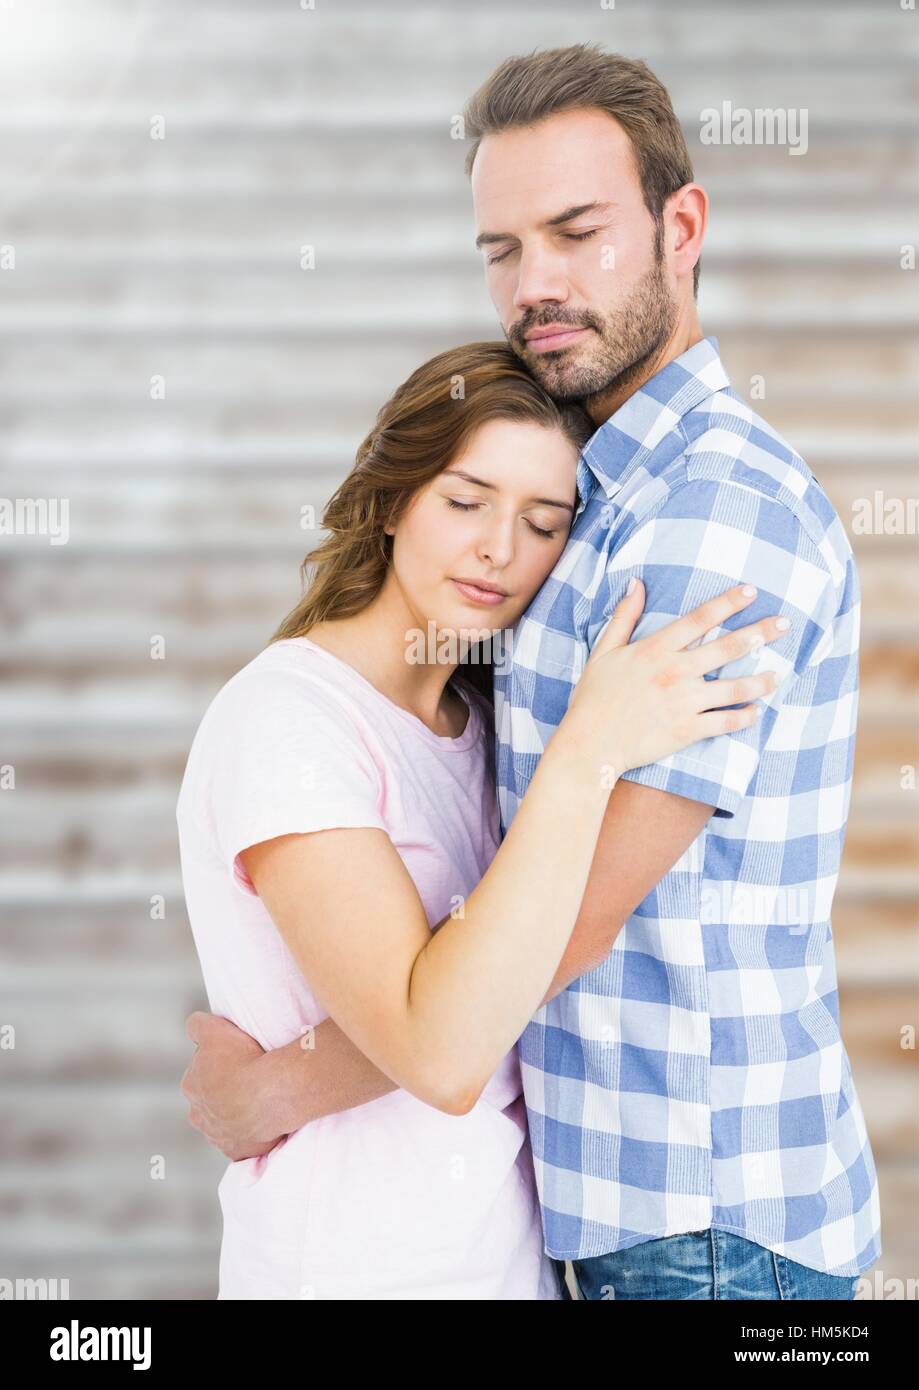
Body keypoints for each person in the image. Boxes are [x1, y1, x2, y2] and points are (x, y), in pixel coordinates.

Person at [184, 44, 882, 1300]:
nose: (535, 284)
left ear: (683, 226)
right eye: (501, 249)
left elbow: (573, 916)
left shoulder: (710, 516)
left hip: (704, 1225)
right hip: (611, 1214)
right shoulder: (588, 496)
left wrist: (281, 1085)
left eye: (575, 232)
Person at [176, 340, 782, 1299]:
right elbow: (443, 1051)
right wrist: (593, 745)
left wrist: (276, 1084)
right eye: (465, 502)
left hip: (504, 1267)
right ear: (388, 499)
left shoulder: (486, 724)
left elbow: (529, 961)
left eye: (543, 524)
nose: (500, 549)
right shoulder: (289, 719)